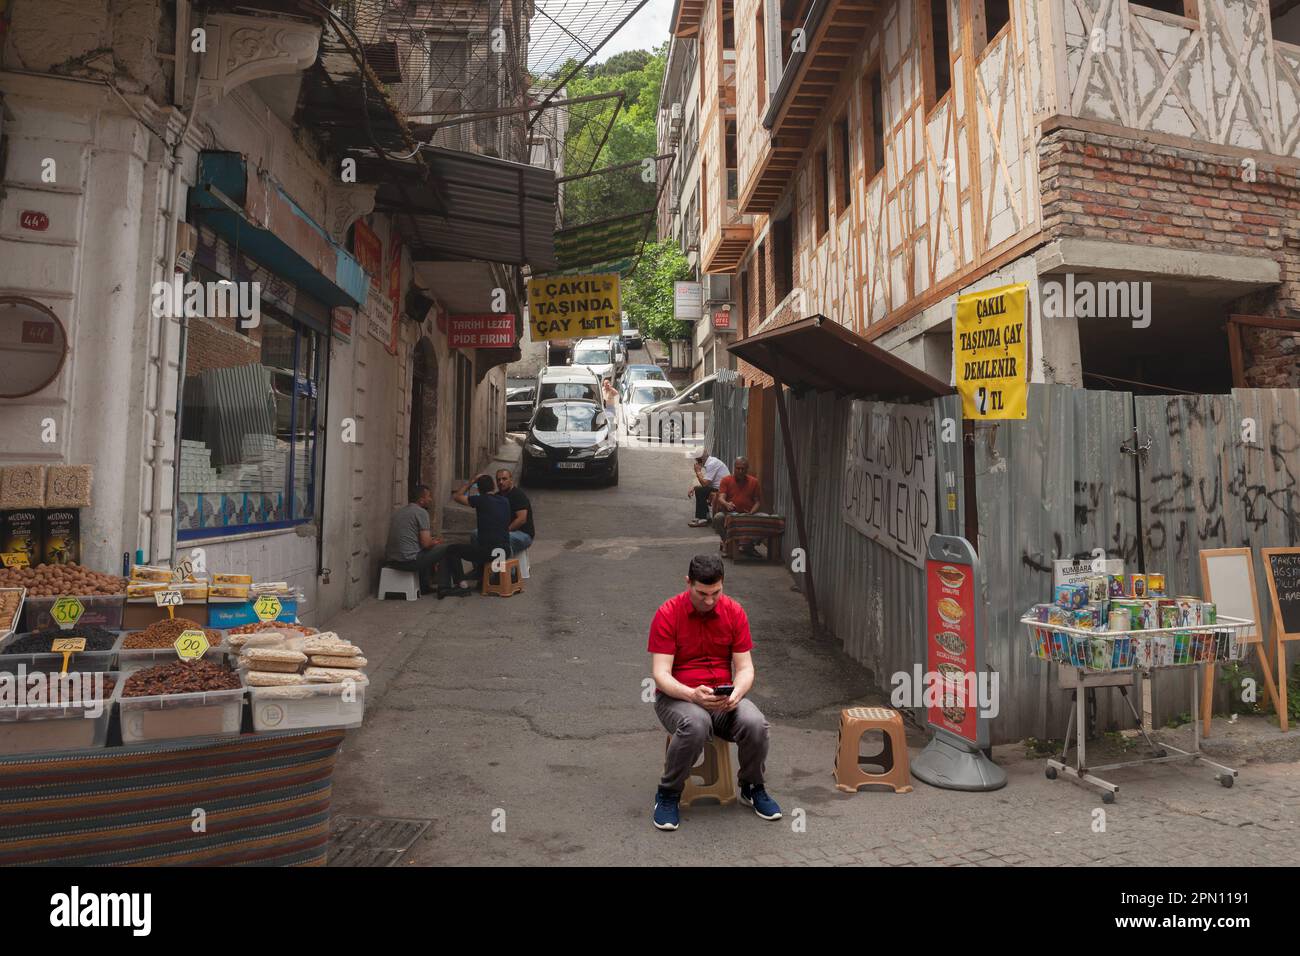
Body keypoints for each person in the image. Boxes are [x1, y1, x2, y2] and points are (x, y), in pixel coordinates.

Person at [647, 554, 781, 831]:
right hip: (676, 697)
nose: (709, 601)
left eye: (716, 593)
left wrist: (737, 694)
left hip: (723, 699)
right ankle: (668, 793)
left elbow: (745, 668)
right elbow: (660, 674)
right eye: (702, 593)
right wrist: (691, 694)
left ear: (723, 584)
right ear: (688, 583)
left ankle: (752, 786)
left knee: (755, 723)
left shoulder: (734, 612)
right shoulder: (668, 613)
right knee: (696, 723)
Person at [441, 475, 512, 597]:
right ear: (493, 486)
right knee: (478, 542)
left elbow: (457, 497)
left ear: (479, 489)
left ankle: (462, 585)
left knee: (452, 550)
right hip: (505, 550)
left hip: (489, 552)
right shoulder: (504, 501)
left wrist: (471, 481)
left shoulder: (480, 500)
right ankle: (482, 577)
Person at [384, 484, 448, 595]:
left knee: (426, 551)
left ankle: (424, 586)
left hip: (392, 560)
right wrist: (435, 542)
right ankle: (444, 587)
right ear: (421, 500)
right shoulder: (421, 512)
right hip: (408, 561)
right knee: (446, 549)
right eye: (428, 496)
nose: (430, 499)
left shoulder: (399, 512)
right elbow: (426, 544)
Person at [711, 456, 764, 556]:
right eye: (738, 468)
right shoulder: (726, 480)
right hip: (730, 514)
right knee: (718, 518)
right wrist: (726, 504)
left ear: (747, 469)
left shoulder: (754, 482)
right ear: (734, 468)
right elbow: (721, 498)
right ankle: (726, 541)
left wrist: (752, 512)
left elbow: (757, 502)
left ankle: (749, 545)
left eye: (743, 468)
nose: (740, 471)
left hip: (748, 514)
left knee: (764, 519)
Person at [495, 468, 534, 555]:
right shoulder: (497, 496)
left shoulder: (518, 495)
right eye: (498, 480)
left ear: (511, 480)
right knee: (476, 534)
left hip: (523, 534)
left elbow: (522, 519)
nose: (501, 482)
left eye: (504, 479)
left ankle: (507, 568)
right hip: (504, 532)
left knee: (501, 541)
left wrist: (505, 532)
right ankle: (481, 567)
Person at [687, 449, 729, 527]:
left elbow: (705, 483)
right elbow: (706, 480)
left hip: (723, 489)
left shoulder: (711, 464)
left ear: (700, 459)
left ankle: (702, 518)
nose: (696, 461)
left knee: (700, 490)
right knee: (699, 489)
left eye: (697, 459)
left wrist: (698, 472)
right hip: (716, 486)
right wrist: (693, 487)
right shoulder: (710, 463)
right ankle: (705, 516)